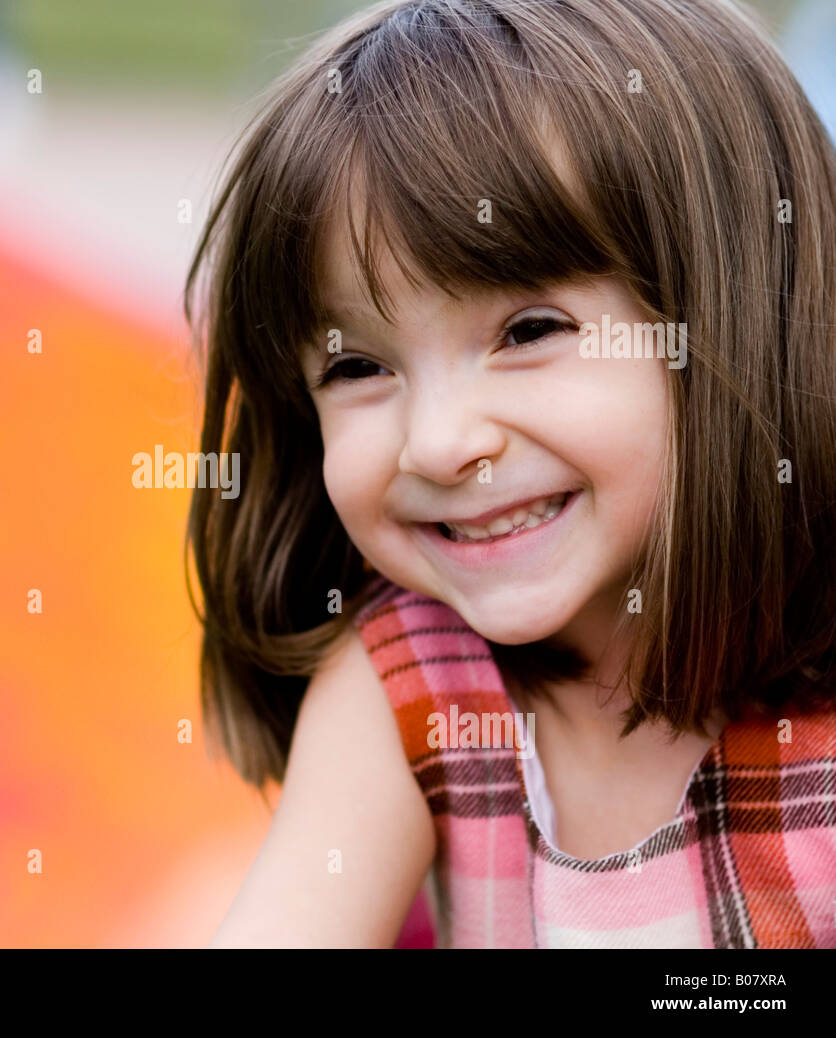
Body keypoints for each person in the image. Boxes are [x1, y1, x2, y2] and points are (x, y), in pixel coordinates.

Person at [186, 0, 836, 948]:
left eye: (528, 333)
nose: (441, 443)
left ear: (741, 313)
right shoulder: (414, 682)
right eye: (358, 367)